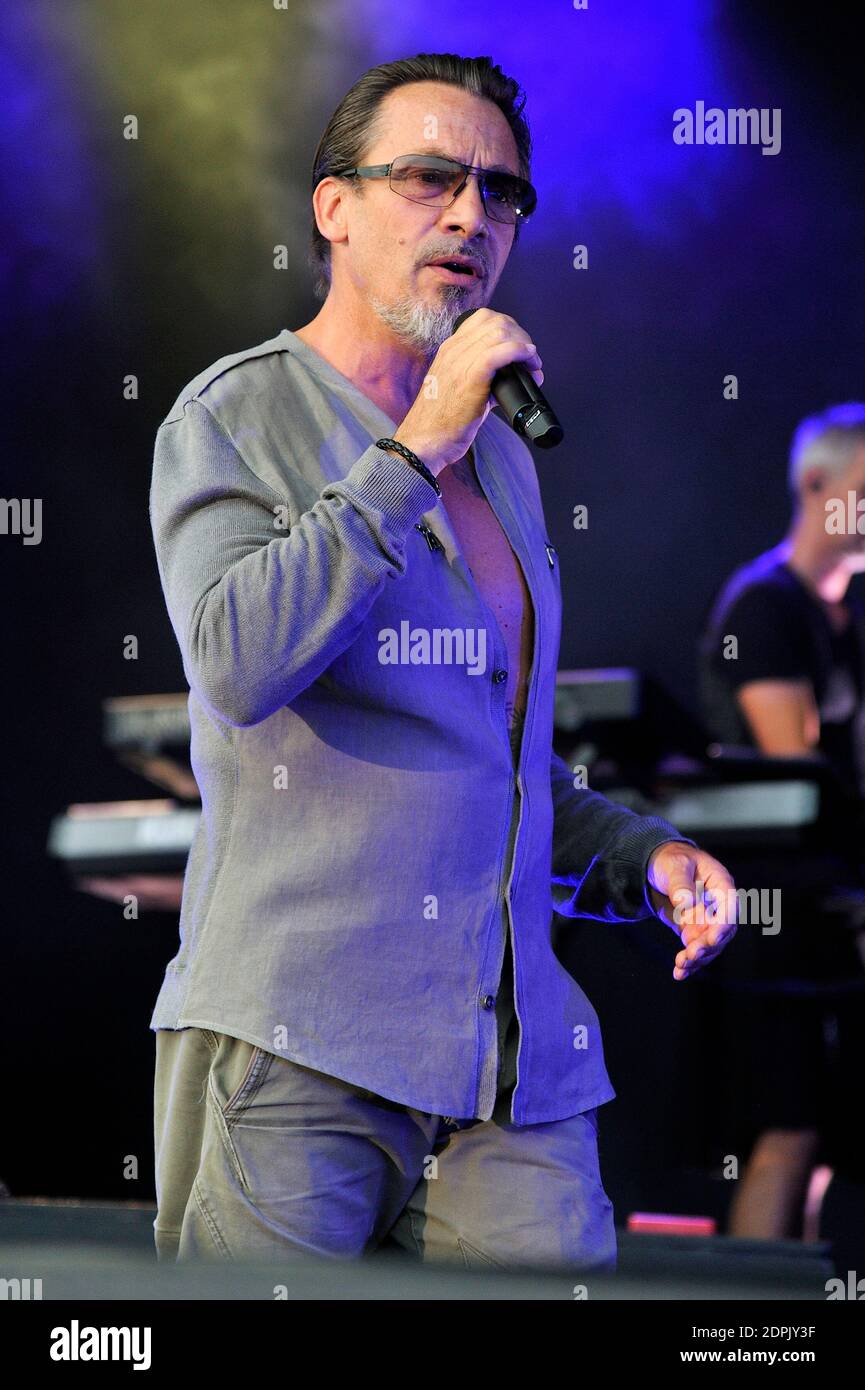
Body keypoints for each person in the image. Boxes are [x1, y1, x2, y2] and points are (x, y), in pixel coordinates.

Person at [150, 51, 736, 1273]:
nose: (472, 214)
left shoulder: (505, 460)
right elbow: (237, 660)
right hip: (297, 1043)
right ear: (335, 208)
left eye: (502, 192)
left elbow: (499, 764)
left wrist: (647, 856)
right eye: (429, 178)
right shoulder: (234, 416)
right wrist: (413, 446)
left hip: (509, 1073)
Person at [699, 403, 865, 1239]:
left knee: (826, 1136)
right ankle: (744, 1326)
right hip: (774, 910)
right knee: (783, 1127)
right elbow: (791, 760)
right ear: (814, 484)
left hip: (831, 909)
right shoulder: (765, 605)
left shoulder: (842, 620)